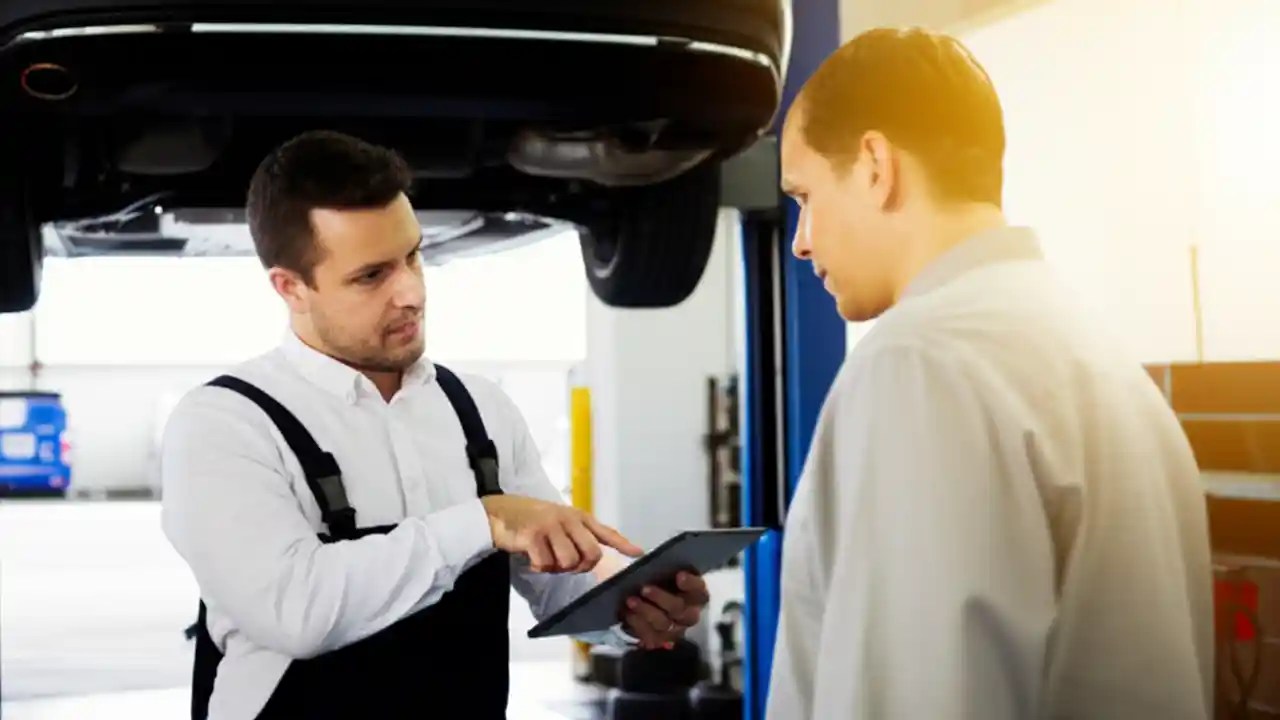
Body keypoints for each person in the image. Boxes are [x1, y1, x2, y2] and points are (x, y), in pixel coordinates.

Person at [160, 130, 710, 720]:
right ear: (291, 287)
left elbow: (557, 585)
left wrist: (630, 607)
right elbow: (296, 611)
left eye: (414, 255)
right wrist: (485, 520)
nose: (411, 292)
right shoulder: (224, 425)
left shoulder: (481, 410)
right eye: (371, 276)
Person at [767, 27, 1213, 720]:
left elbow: (916, 700)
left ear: (875, 166)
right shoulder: (1099, 356)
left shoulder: (921, 363)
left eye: (805, 196)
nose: (801, 239)